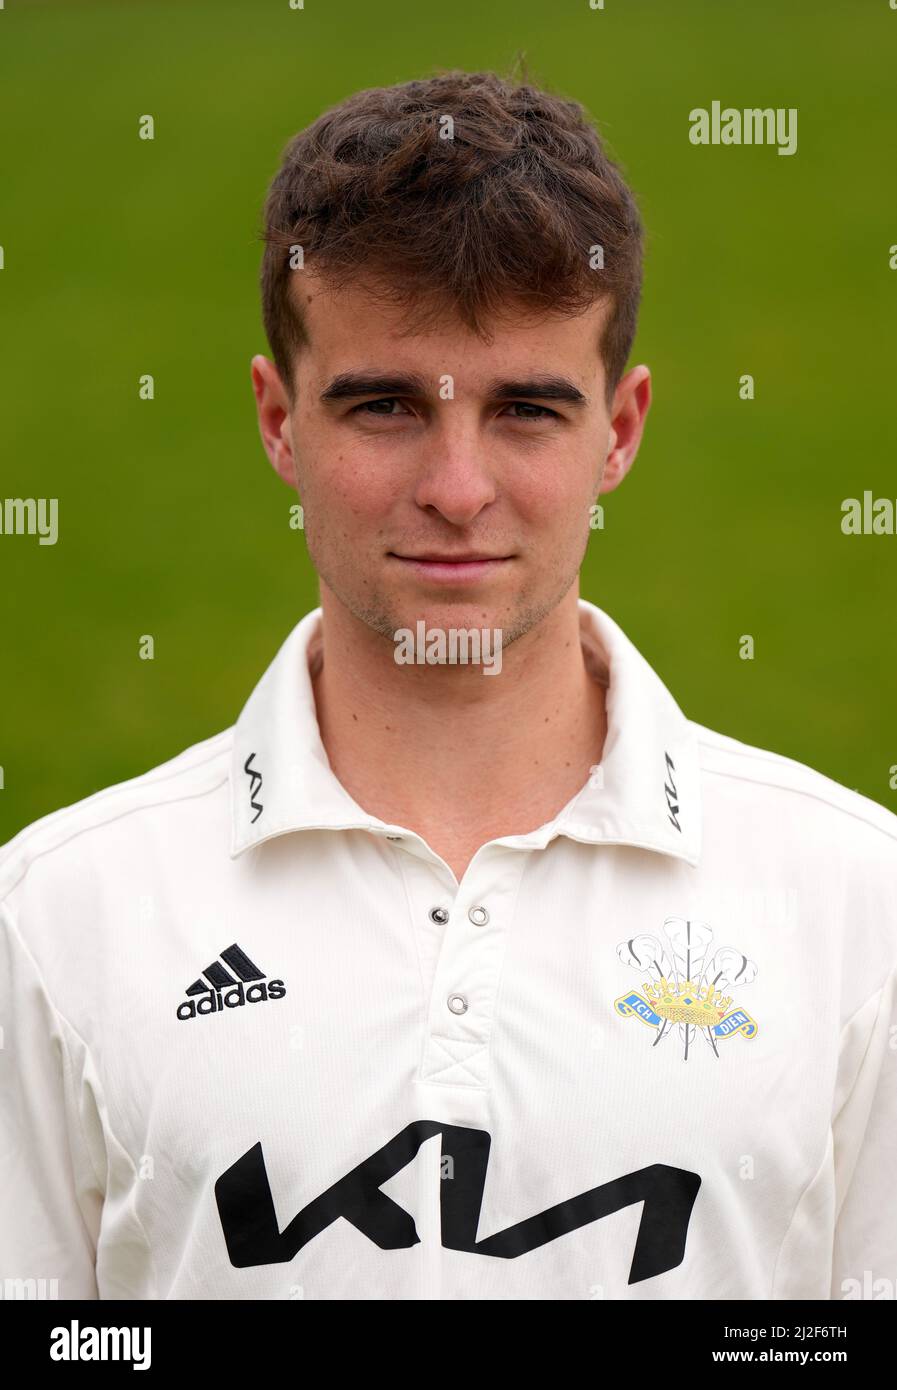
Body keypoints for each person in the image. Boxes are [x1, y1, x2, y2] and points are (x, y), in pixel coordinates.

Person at [1, 69, 894, 1302]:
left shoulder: (860, 905)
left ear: (621, 432)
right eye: (383, 407)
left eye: (528, 409)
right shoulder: (58, 915)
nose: (459, 488)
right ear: (278, 422)